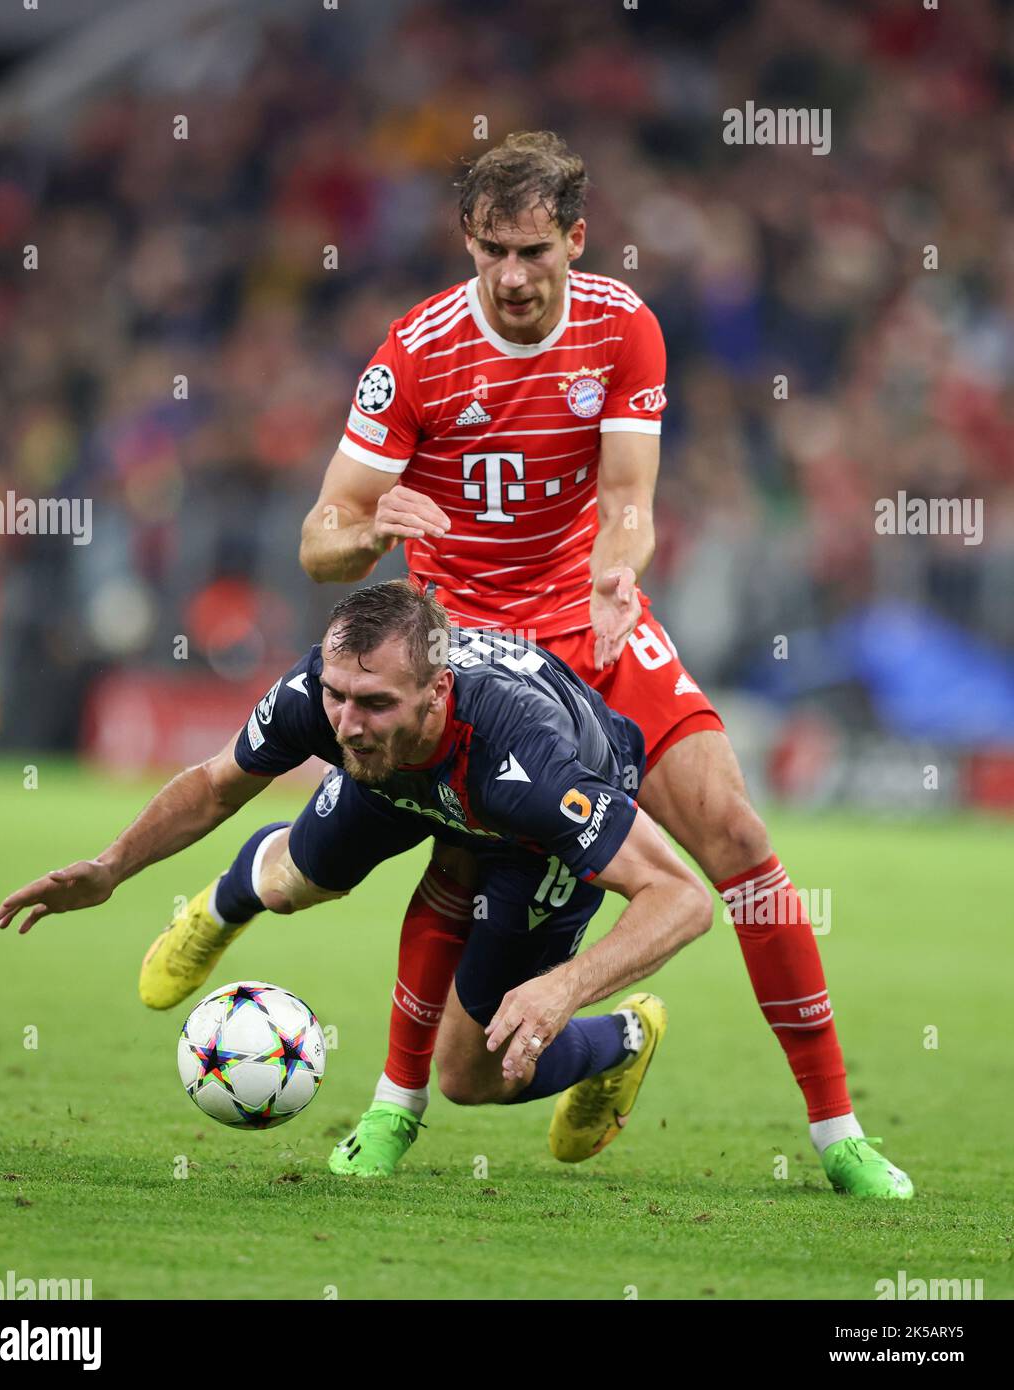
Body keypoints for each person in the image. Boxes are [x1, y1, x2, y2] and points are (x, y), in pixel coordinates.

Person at [297, 131, 913, 1198]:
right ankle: (394, 1109)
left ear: (575, 239)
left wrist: (617, 572)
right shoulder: (413, 351)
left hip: (591, 619)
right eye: (491, 250)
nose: (513, 274)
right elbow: (319, 539)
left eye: (534, 249)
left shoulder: (621, 326)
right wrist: (366, 533)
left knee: (738, 838)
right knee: (454, 874)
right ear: (468, 244)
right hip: (469, 649)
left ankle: (836, 1132)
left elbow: (628, 499)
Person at [0, 580, 715, 1161]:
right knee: (288, 885)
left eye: (373, 702)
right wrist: (110, 867)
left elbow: (683, 897)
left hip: (528, 834)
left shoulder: (531, 766)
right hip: (412, 778)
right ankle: (222, 906)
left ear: (436, 694)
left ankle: (623, 1039)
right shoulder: (328, 700)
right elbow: (216, 786)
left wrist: (567, 987)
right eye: (338, 695)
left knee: (470, 1076)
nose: (346, 724)